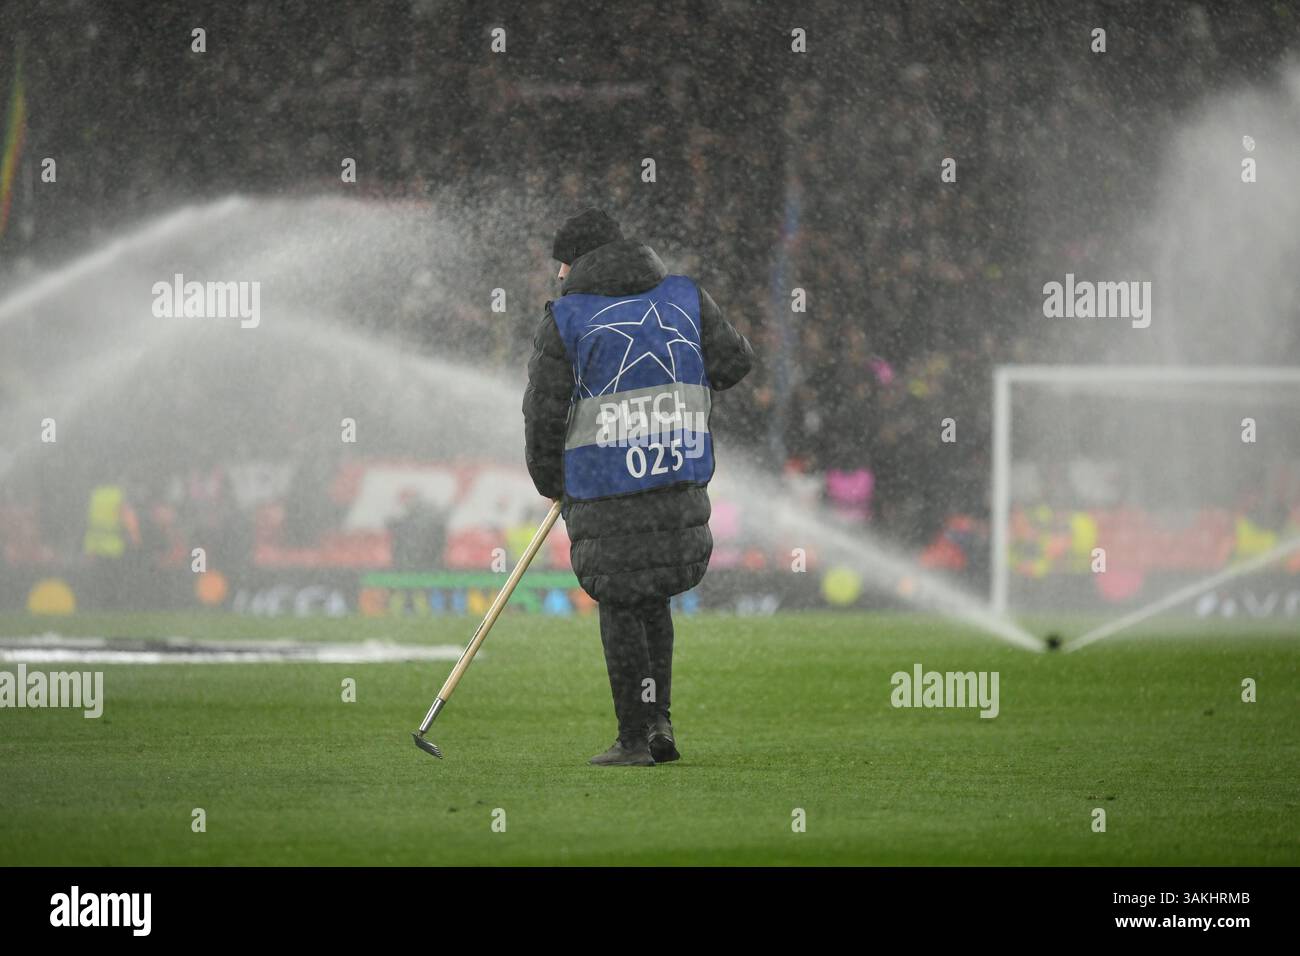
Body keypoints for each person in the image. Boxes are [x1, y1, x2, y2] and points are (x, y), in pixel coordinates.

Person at [523, 208, 753, 766]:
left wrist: (552, 481)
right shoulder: (684, 297)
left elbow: (544, 414)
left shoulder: (567, 318)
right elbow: (735, 362)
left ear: (575, 262)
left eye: (561, 263)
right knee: (652, 600)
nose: (557, 275)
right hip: (676, 476)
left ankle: (634, 736)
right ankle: (658, 725)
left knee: (621, 603)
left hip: (606, 487)